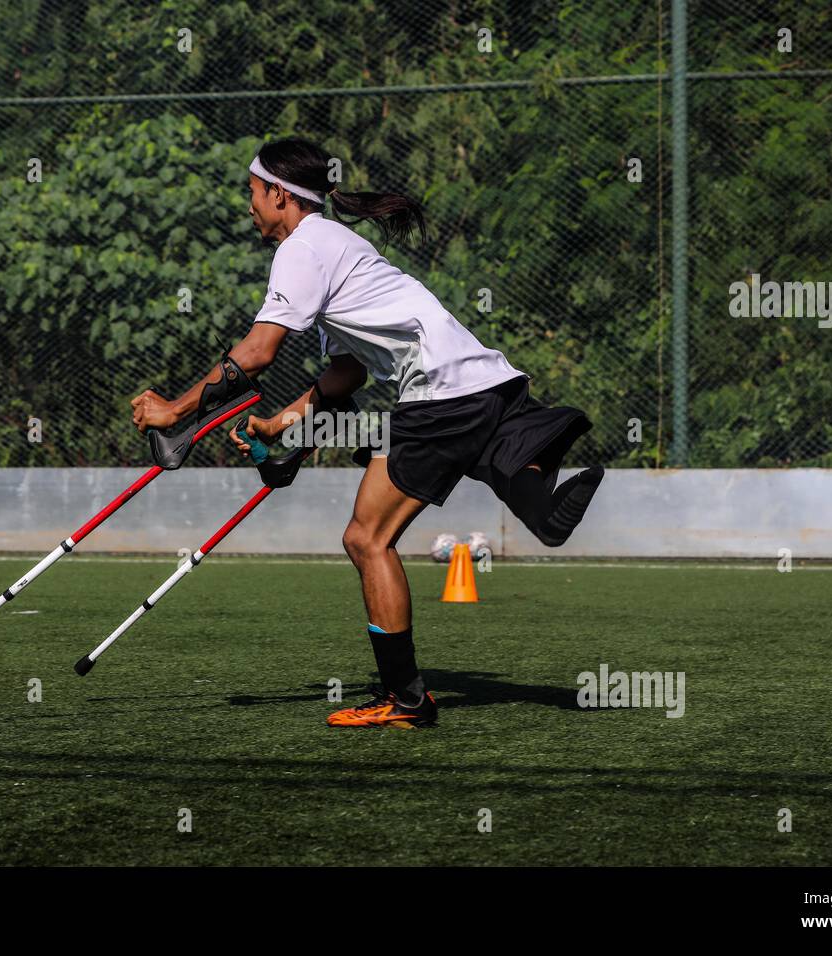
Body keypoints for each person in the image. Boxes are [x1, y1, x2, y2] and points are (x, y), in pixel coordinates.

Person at [130, 138, 602, 728]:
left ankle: (406, 699)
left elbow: (256, 353)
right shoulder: (339, 243)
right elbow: (345, 372)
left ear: (279, 195)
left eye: (252, 193)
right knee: (483, 465)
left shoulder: (303, 249)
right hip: (487, 382)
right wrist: (283, 426)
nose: (247, 205)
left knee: (366, 539)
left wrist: (175, 411)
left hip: (440, 394)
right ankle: (545, 512)